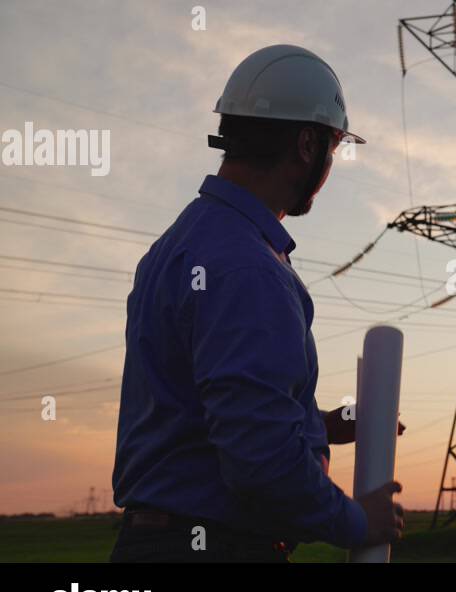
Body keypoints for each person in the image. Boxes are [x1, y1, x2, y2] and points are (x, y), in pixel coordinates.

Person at [110, 45, 403, 562]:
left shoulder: (179, 245)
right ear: (308, 144)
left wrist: (320, 426)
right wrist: (358, 521)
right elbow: (257, 456)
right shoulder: (248, 266)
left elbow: (212, 409)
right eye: (334, 146)